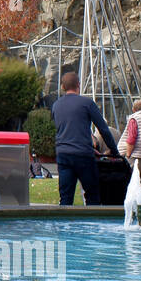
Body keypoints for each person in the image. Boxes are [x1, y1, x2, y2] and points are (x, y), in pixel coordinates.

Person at [50, 71, 119, 206]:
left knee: (65, 197)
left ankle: (64, 225)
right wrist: (114, 151)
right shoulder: (86, 103)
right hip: (83, 155)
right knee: (92, 195)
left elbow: (64, 129)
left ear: (63, 87)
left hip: (63, 154)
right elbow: (103, 129)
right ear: (78, 85)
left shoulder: (56, 105)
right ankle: (91, 224)